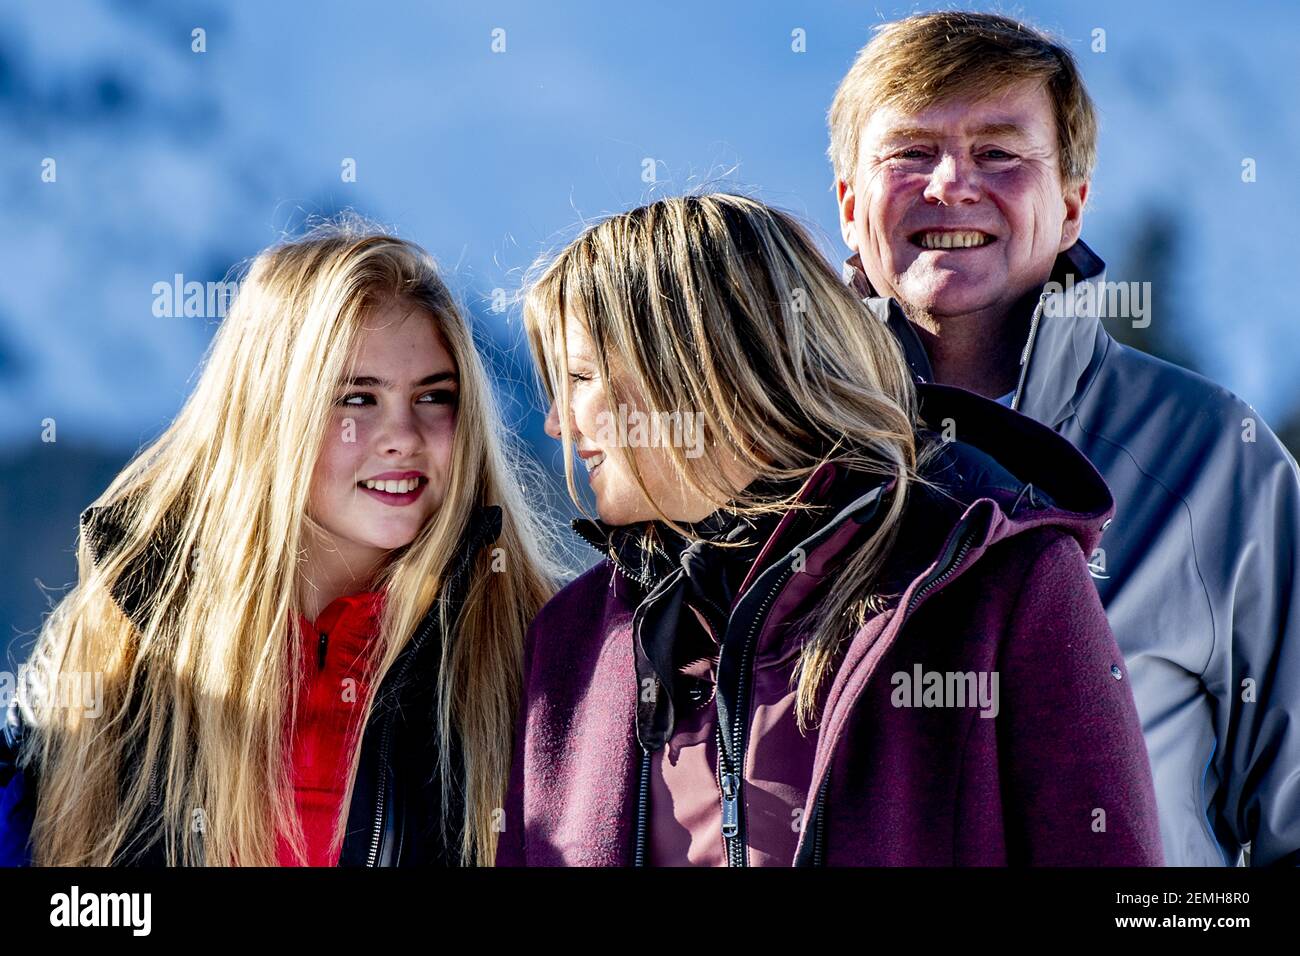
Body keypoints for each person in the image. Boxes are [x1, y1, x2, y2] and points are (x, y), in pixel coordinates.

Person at [496, 192, 1162, 866]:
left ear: (701, 367)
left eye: (580, 377)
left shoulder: (1000, 581)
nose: (559, 422)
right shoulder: (572, 640)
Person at [829, 11, 1300, 866]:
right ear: (851, 205)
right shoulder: (776, 454)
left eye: (1000, 153)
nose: (951, 185)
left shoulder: (1210, 456)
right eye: (909, 152)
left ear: (1075, 204)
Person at [0, 219, 555, 866]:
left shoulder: (537, 649)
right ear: (270, 415)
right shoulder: (120, 645)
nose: (403, 434)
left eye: (434, 396)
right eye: (356, 397)